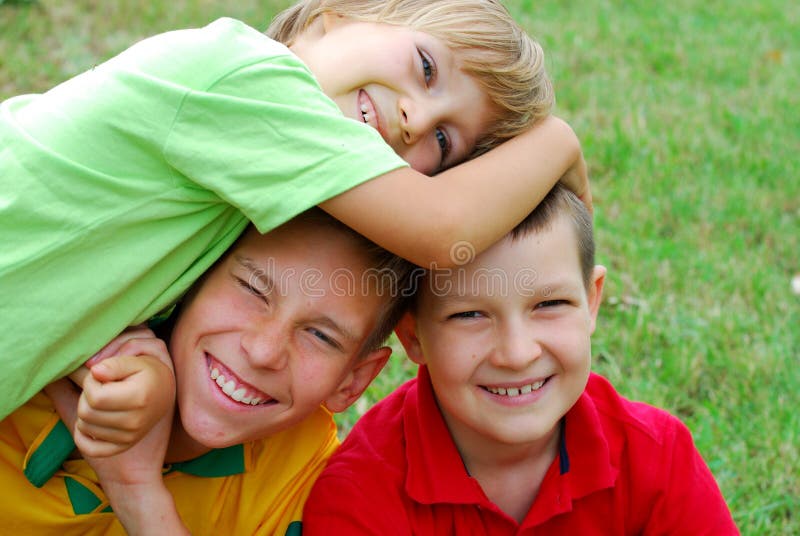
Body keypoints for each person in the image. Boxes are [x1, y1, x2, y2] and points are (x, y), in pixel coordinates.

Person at [0, 0, 588, 420]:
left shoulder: (249, 182)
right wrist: (559, 143)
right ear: (338, 13)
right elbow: (443, 232)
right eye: (426, 69)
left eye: (442, 144)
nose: (415, 119)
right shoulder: (250, 79)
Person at [302, 185, 739, 535]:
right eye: (469, 314)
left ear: (592, 301)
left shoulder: (656, 458)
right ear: (413, 335)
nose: (516, 354)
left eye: (549, 304)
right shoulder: (361, 495)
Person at [0, 209, 418, 535]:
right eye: (254, 290)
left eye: (321, 337)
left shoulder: (303, 484)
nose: (262, 351)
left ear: (353, 381)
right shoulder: (37, 343)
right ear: (192, 276)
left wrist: (137, 491)